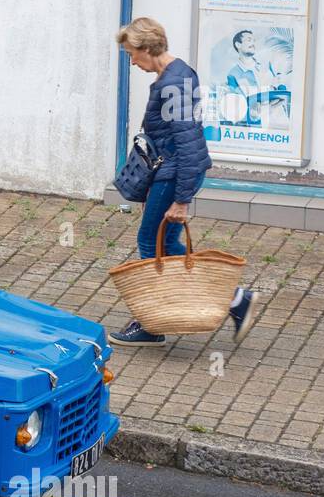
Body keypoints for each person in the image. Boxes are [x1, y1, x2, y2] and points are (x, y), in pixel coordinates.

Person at [111, 17, 259, 347]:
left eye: (132, 54)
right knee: (170, 246)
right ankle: (231, 300)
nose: (132, 61)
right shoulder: (177, 73)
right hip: (173, 172)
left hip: (173, 174)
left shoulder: (173, 84)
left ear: (147, 49)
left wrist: (181, 199)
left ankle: (153, 323)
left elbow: (190, 142)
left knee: (151, 242)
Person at [224, 30, 291, 129]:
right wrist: (263, 110)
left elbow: (281, 86)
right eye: (249, 40)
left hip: (281, 123)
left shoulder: (267, 65)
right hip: (259, 128)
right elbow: (238, 106)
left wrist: (280, 86)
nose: (253, 43)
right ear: (238, 44)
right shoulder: (233, 75)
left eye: (254, 41)